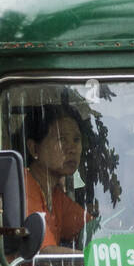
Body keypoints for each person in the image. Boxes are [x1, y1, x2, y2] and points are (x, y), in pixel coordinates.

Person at [24, 104, 88, 250]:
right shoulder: (23, 188)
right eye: (62, 140)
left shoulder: (55, 197)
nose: (71, 149)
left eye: (76, 140)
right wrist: (100, 259)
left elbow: (91, 228)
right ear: (34, 149)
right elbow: (47, 254)